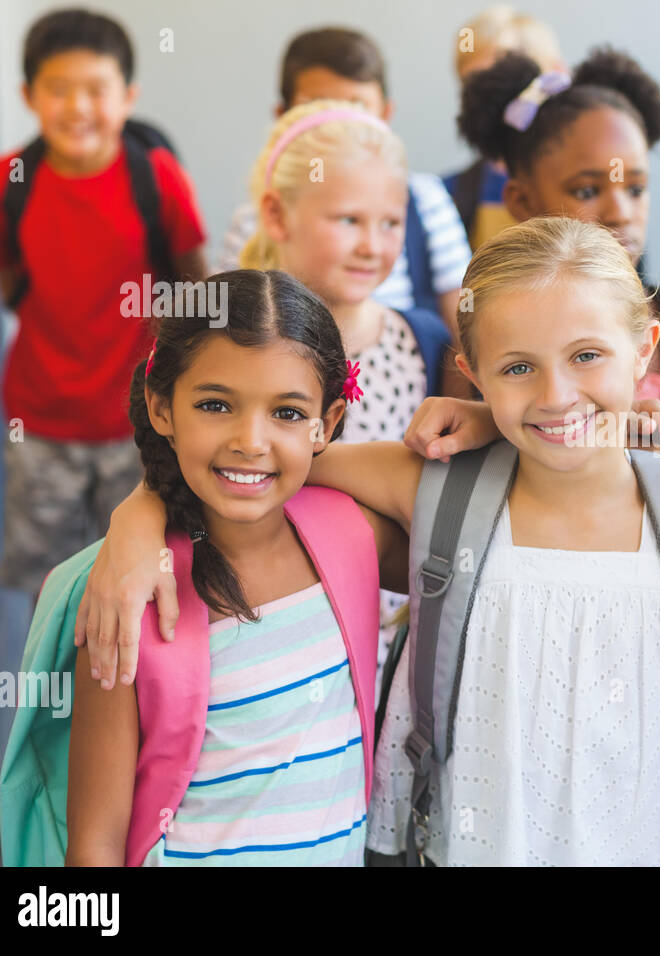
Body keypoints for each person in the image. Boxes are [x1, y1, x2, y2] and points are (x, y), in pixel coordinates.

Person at [72, 218, 660, 865]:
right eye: (518, 368)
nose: (557, 394)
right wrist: (138, 515)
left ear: (646, 351)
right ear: (472, 374)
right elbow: (259, 463)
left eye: (588, 356)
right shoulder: (433, 484)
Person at [6, 270, 408, 865]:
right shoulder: (125, 596)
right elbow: (95, 846)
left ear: (329, 422)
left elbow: (489, 506)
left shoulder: (356, 535)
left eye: (288, 413)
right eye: (215, 405)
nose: (250, 440)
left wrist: (475, 418)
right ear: (161, 407)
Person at [0, 7, 206, 601]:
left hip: (142, 424)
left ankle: (122, 695)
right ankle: (52, 694)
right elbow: (11, 285)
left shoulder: (156, 178)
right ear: (29, 95)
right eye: (58, 89)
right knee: (46, 587)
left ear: (127, 96)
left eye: (96, 89)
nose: (78, 106)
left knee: (141, 580)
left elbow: (193, 290)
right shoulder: (5, 184)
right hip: (40, 423)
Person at [240, 98, 456, 694]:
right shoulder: (226, 342)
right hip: (265, 639)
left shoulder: (426, 341)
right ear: (277, 216)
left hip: (395, 650)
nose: (373, 245)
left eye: (389, 223)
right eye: (348, 220)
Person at [456, 47, 660, 445]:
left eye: (636, 188)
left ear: (646, 348)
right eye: (587, 190)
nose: (620, 212)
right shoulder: (486, 326)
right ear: (521, 201)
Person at [217, 26, 471, 337]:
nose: (340, 121)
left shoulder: (426, 198)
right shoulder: (251, 220)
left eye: (358, 106)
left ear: (386, 112)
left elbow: (460, 323)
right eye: (318, 105)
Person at [444, 4, 565, 251]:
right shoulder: (447, 197)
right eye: (475, 88)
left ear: (554, 77)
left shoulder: (586, 183)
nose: (491, 102)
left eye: (508, 84)